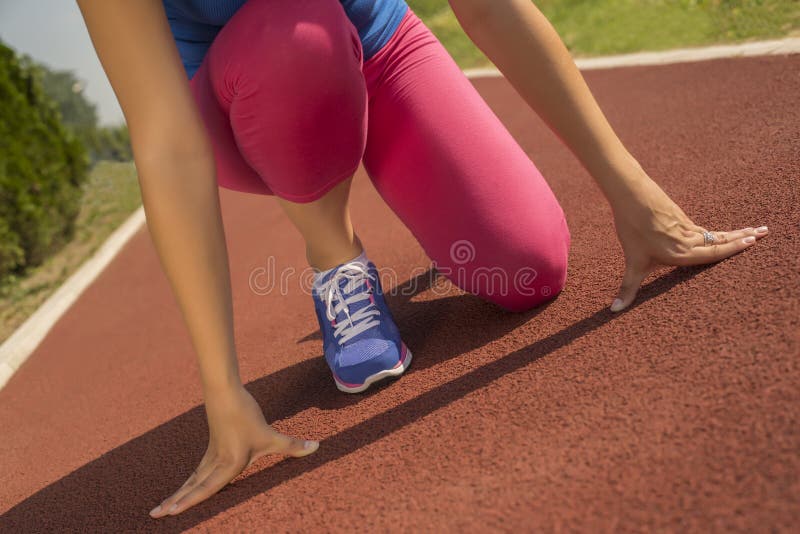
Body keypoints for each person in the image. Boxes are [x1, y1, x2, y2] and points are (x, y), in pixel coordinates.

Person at [76, 0, 768, 518]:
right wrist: (221, 389)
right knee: (293, 32)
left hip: (376, 38)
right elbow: (167, 143)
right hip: (245, 90)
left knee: (526, 268)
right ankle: (333, 254)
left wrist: (633, 191)